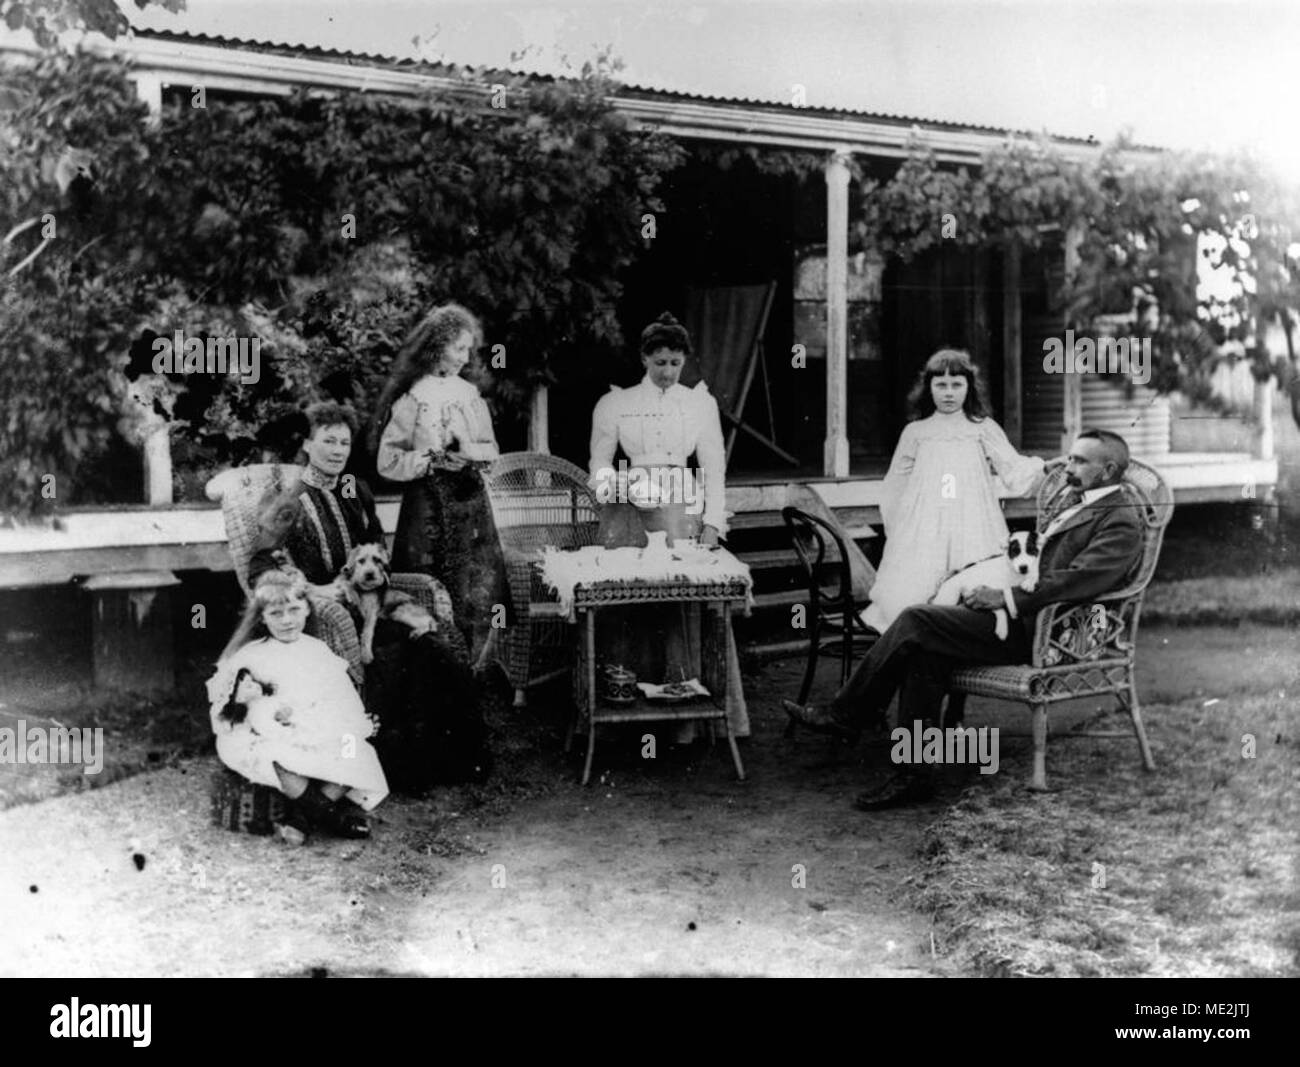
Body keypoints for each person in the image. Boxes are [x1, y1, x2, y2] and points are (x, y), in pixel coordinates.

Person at [785, 429, 1144, 809]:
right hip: (1021, 618)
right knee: (925, 653)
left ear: (1107, 470)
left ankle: (846, 715)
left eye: (1079, 461)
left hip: (1050, 632)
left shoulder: (1119, 520)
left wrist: (1003, 597)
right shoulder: (1077, 500)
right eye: (1070, 458)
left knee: (917, 620)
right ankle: (914, 775)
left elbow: (1076, 581)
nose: (1067, 466)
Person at [250, 400, 491, 790]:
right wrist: (305, 587)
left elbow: (377, 550)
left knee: (436, 646)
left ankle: (456, 762)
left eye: (344, 443)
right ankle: (401, 771)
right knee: (392, 656)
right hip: (323, 613)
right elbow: (260, 565)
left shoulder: (353, 490)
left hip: (371, 607)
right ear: (308, 445)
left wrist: (376, 587)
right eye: (328, 441)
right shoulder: (289, 499)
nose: (337, 451)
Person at [587, 311, 749, 739]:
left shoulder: (699, 403)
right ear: (644, 359)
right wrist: (616, 488)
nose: (667, 372)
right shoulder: (616, 404)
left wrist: (713, 522)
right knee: (629, 601)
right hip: (628, 512)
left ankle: (688, 723)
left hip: (681, 507)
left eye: (675, 363)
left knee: (682, 599)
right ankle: (623, 717)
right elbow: (598, 465)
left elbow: (714, 466)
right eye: (659, 362)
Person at [861, 348, 1045, 633]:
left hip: (973, 522)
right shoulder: (916, 432)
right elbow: (895, 485)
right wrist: (900, 529)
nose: (949, 393)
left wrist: (1038, 467)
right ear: (929, 388)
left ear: (969, 387)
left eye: (957, 385)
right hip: (926, 526)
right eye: (941, 385)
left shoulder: (982, 428)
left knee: (971, 591)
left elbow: (1012, 468)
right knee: (914, 593)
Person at [207, 568, 389, 844]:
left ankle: (300, 818)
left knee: (357, 751)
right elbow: (223, 709)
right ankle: (331, 816)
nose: (287, 621)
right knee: (271, 757)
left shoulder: (318, 651)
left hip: (317, 731)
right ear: (262, 618)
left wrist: (349, 727)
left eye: (294, 609)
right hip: (268, 735)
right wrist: (240, 702)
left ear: (306, 609)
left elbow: (343, 702)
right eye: (276, 614)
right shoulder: (251, 654)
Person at [372, 303, 512, 660]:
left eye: (469, 349)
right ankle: (429, 665)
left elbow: (491, 449)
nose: (466, 357)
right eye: (459, 348)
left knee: (469, 588)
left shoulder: (469, 395)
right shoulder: (413, 396)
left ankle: (467, 666)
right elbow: (387, 460)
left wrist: (467, 448)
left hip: (468, 502)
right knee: (427, 587)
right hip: (427, 505)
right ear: (438, 347)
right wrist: (426, 458)